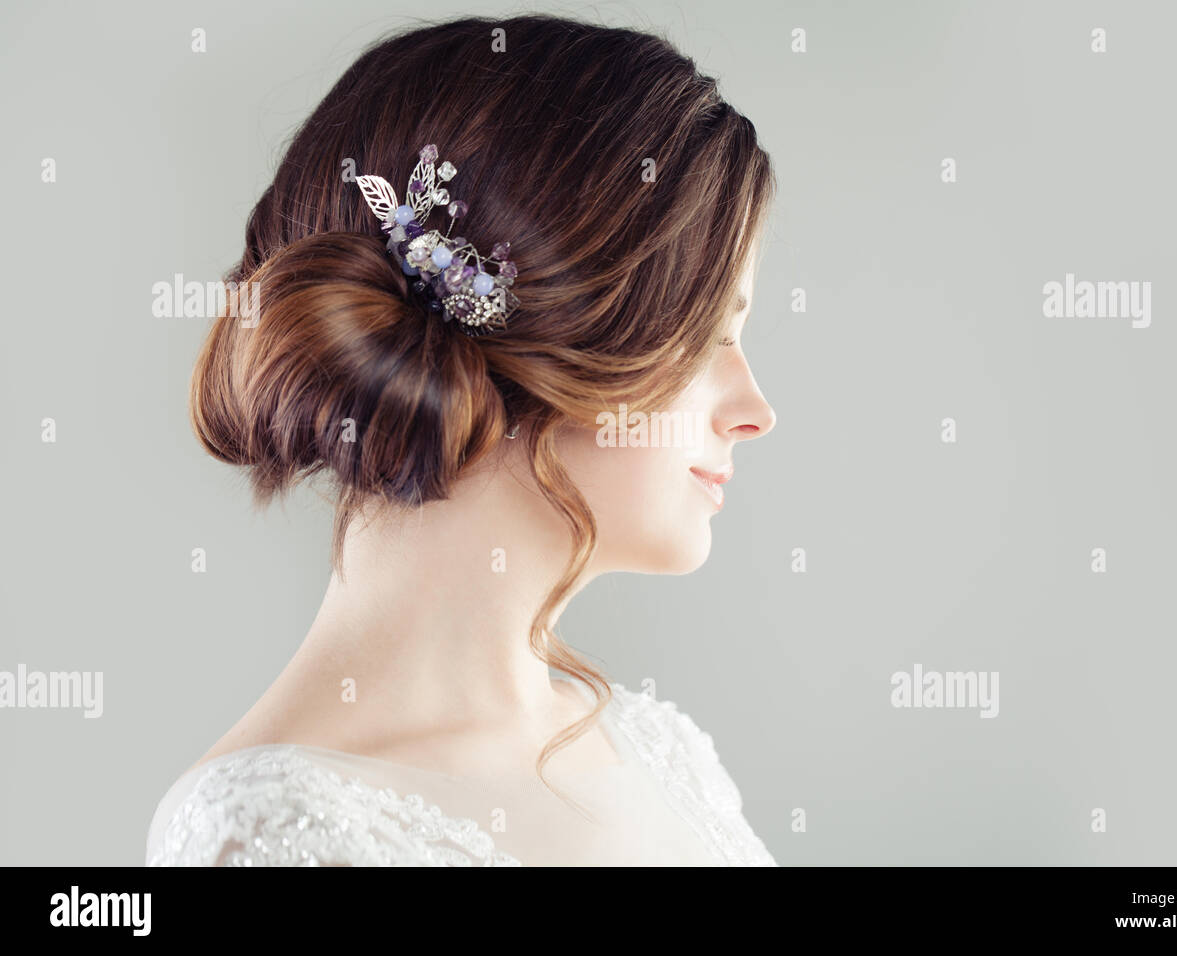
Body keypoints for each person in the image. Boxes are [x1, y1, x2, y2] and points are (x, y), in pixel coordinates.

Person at [146, 14, 778, 866]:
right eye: (709, 338)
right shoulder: (268, 835)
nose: (756, 410)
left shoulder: (662, 754)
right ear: (554, 329)